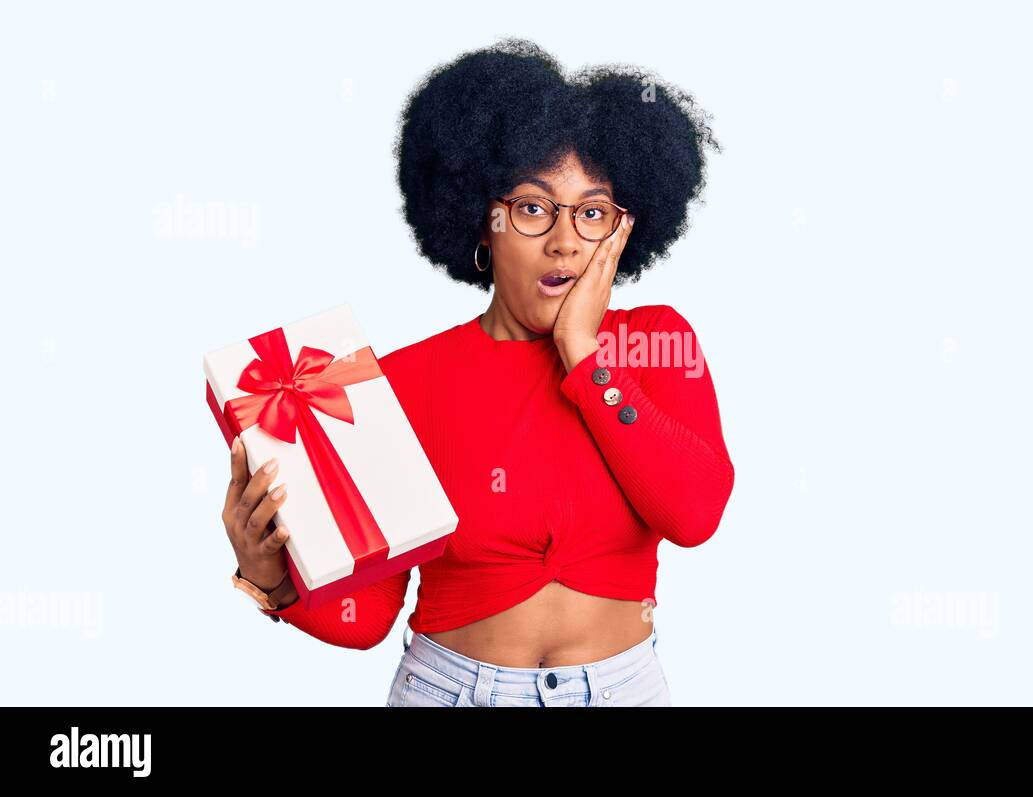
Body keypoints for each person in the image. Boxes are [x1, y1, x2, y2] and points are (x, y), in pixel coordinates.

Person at [222, 38, 733, 707]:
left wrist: (586, 354)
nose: (564, 239)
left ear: (621, 230)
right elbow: (369, 615)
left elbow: (694, 513)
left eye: (592, 212)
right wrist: (272, 580)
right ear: (482, 222)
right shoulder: (396, 383)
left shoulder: (657, 343)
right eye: (531, 207)